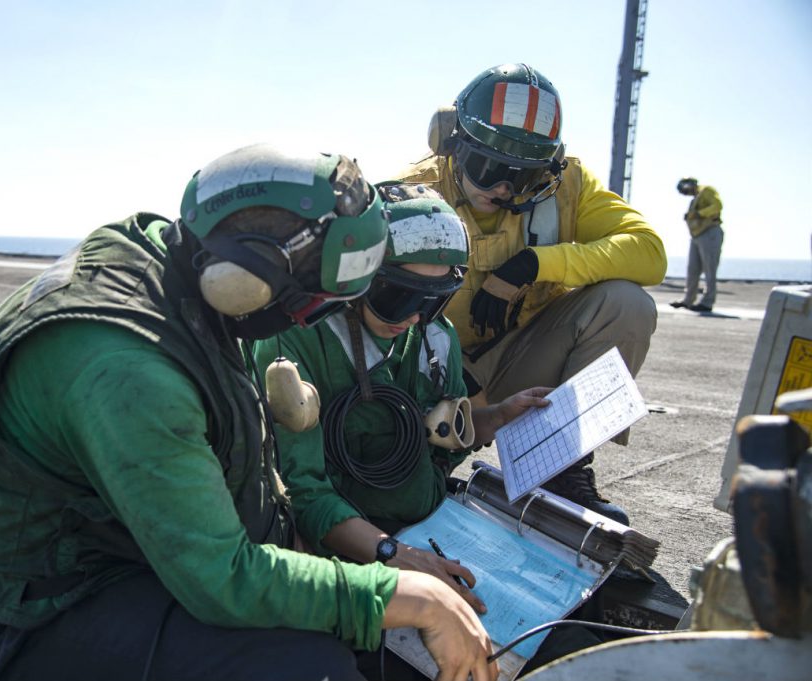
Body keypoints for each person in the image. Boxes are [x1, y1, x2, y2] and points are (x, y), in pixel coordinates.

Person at [0, 144, 498, 681]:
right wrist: (408, 597)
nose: (306, 321)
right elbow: (223, 579)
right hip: (59, 605)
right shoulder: (128, 371)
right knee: (314, 670)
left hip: (133, 548)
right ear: (242, 280)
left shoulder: (170, 257)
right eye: (309, 302)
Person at [394, 63, 668, 526]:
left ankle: (558, 469)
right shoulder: (413, 194)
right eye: (488, 168)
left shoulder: (565, 188)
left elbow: (650, 254)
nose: (502, 189)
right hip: (430, 379)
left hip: (518, 363)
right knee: (399, 495)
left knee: (626, 304)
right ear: (451, 143)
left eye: (521, 177)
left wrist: (535, 264)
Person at [254, 184, 551, 608]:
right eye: (399, 296)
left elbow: (439, 440)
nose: (414, 316)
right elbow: (303, 490)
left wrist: (497, 416)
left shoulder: (434, 337)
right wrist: (395, 556)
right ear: (357, 275)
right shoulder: (296, 342)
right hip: (349, 545)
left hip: (430, 529)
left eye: (433, 301)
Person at [670, 177, 723, 313]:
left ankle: (707, 302)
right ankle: (688, 300)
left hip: (710, 233)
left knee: (709, 269)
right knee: (692, 269)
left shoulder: (706, 191)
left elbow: (717, 206)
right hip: (697, 235)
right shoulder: (696, 198)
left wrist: (699, 214)